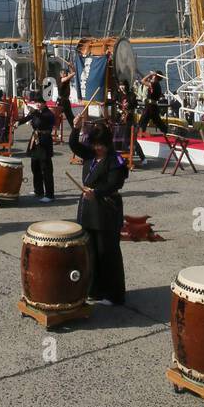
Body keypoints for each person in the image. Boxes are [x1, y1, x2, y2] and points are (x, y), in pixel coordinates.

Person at [68, 114, 127, 306]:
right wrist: (75, 128)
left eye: (100, 145)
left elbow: (114, 183)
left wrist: (97, 192)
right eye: (95, 144)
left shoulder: (115, 160)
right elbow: (74, 146)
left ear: (107, 143)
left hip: (106, 208)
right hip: (88, 208)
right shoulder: (91, 154)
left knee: (107, 252)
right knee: (90, 251)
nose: (97, 148)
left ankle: (112, 293)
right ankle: (94, 290)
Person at [18, 93, 56, 202]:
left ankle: (49, 195)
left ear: (45, 103)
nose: (38, 104)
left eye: (40, 103)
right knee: (35, 166)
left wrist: (34, 112)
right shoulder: (36, 112)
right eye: (37, 103)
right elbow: (27, 118)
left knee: (46, 168)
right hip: (35, 140)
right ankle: (38, 190)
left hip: (44, 141)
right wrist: (17, 123)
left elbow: (44, 118)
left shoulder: (49, 114)